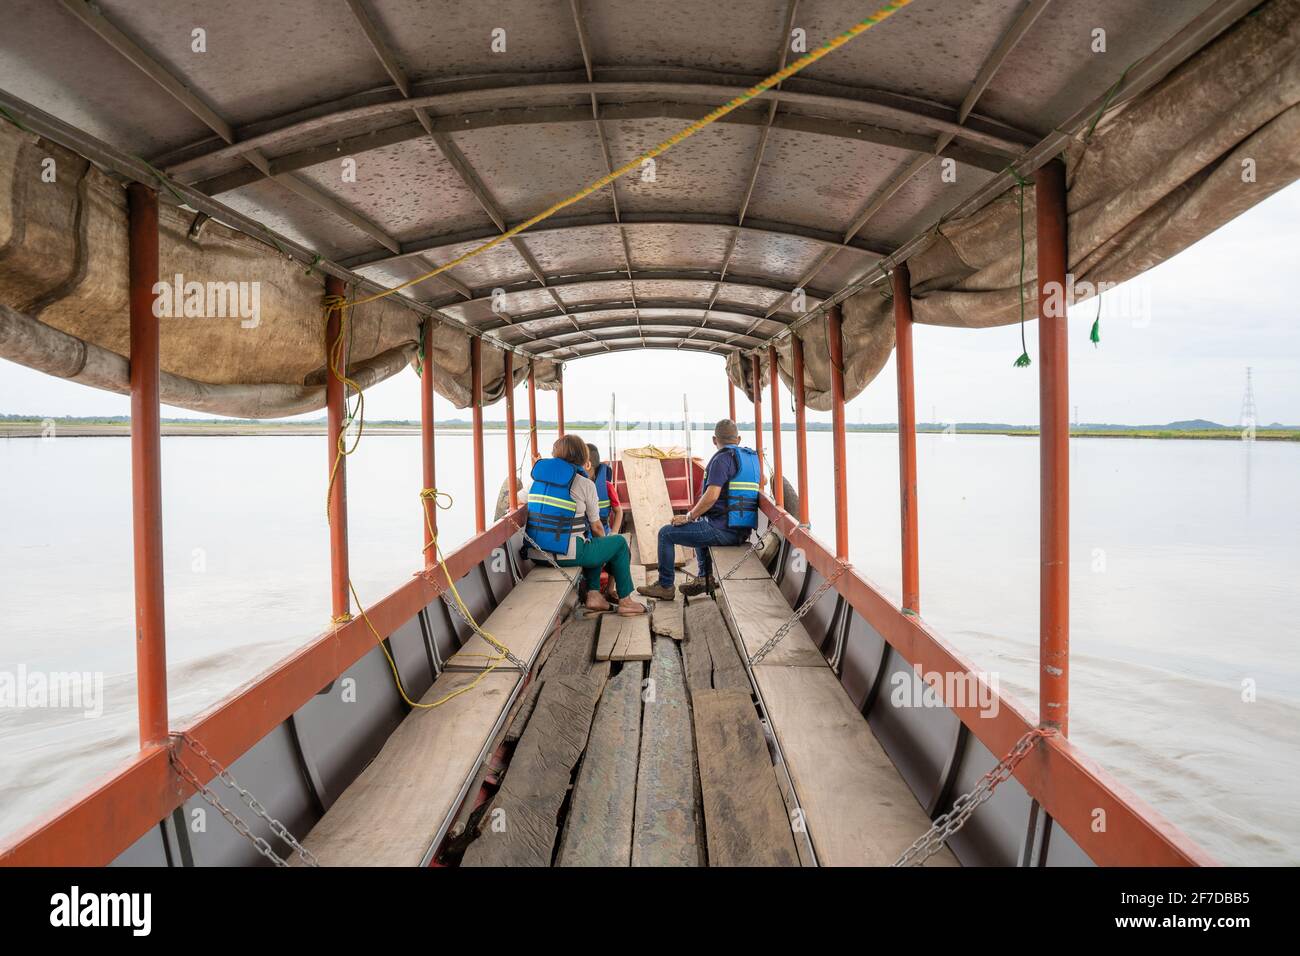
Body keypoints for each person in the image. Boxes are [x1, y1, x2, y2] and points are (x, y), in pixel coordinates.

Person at [637, 418, 760, 600]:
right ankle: (704, 578)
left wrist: (688, 516)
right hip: (742, 530)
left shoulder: (721, 460)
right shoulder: (751, 458)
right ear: (739, 439)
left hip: (723, 530)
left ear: (714, 440)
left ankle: (665, 586)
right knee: (701, 521)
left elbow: (711, 497)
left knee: (666, 533)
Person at [524, 434, 646, 616]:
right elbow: (597, 528)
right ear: (583, 458)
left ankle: (594, 595)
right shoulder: (584, 484)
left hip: (536, 553)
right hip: (566, 554)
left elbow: (520, 499)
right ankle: (626, 601)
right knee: (617, 543)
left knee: (591, 542)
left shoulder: (535, 481)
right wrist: (608, 552)